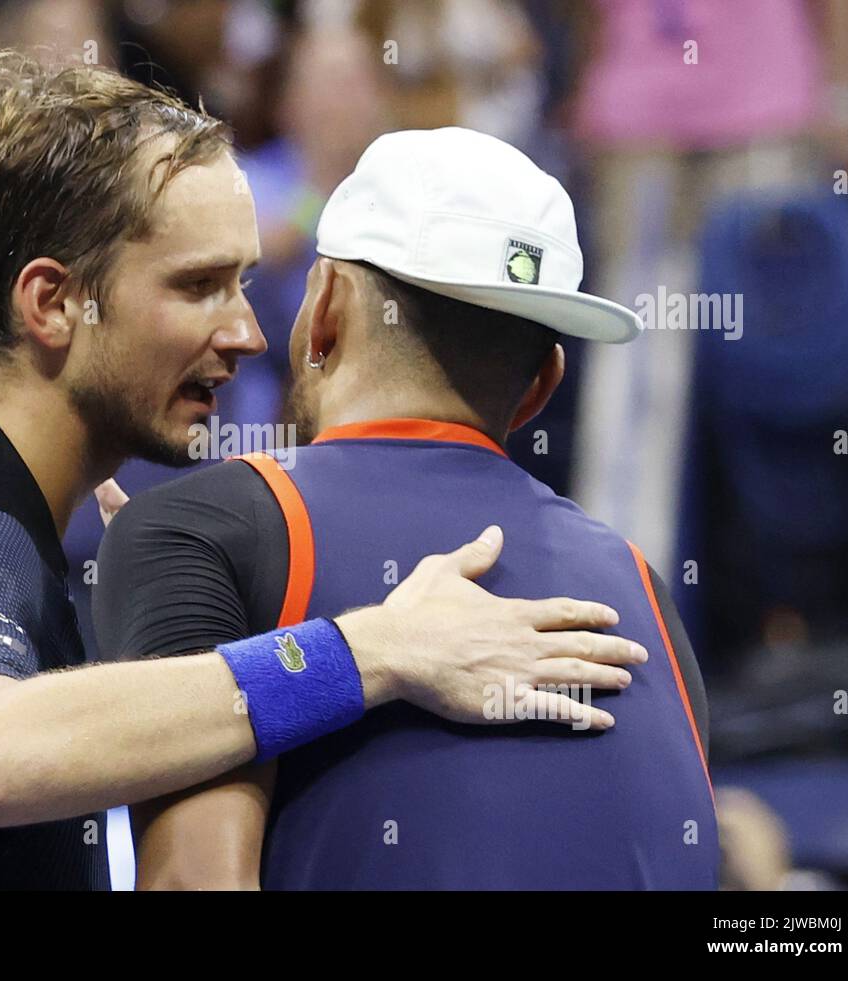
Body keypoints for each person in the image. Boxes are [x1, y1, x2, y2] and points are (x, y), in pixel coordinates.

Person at [0, 57, 642, 890]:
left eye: (241, 282)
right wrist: (374, 652)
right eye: (198, 286)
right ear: (55, 303)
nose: (249, 333)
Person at [94, 128, 716, 890]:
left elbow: (191, 884)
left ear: (322, 306)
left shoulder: (204, 532)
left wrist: (156, 563)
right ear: (542, 385)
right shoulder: (646, 593)